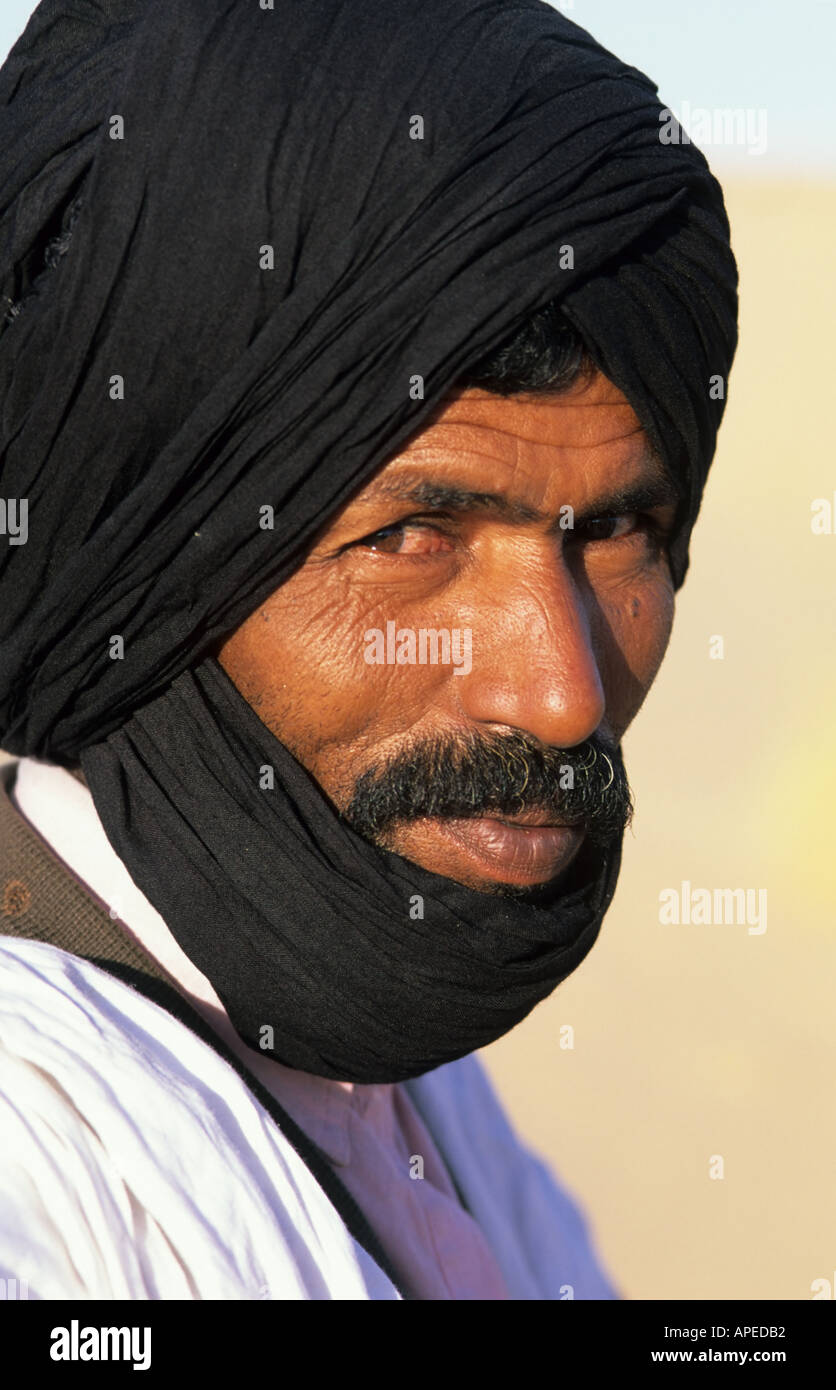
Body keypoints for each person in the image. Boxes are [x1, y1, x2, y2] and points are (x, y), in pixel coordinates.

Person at [0, 0, 738, 1301]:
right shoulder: (41, 1158)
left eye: (621, 528)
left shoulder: (415, 1087)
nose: (563, 697)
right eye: (415, 536)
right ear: (147, 541)